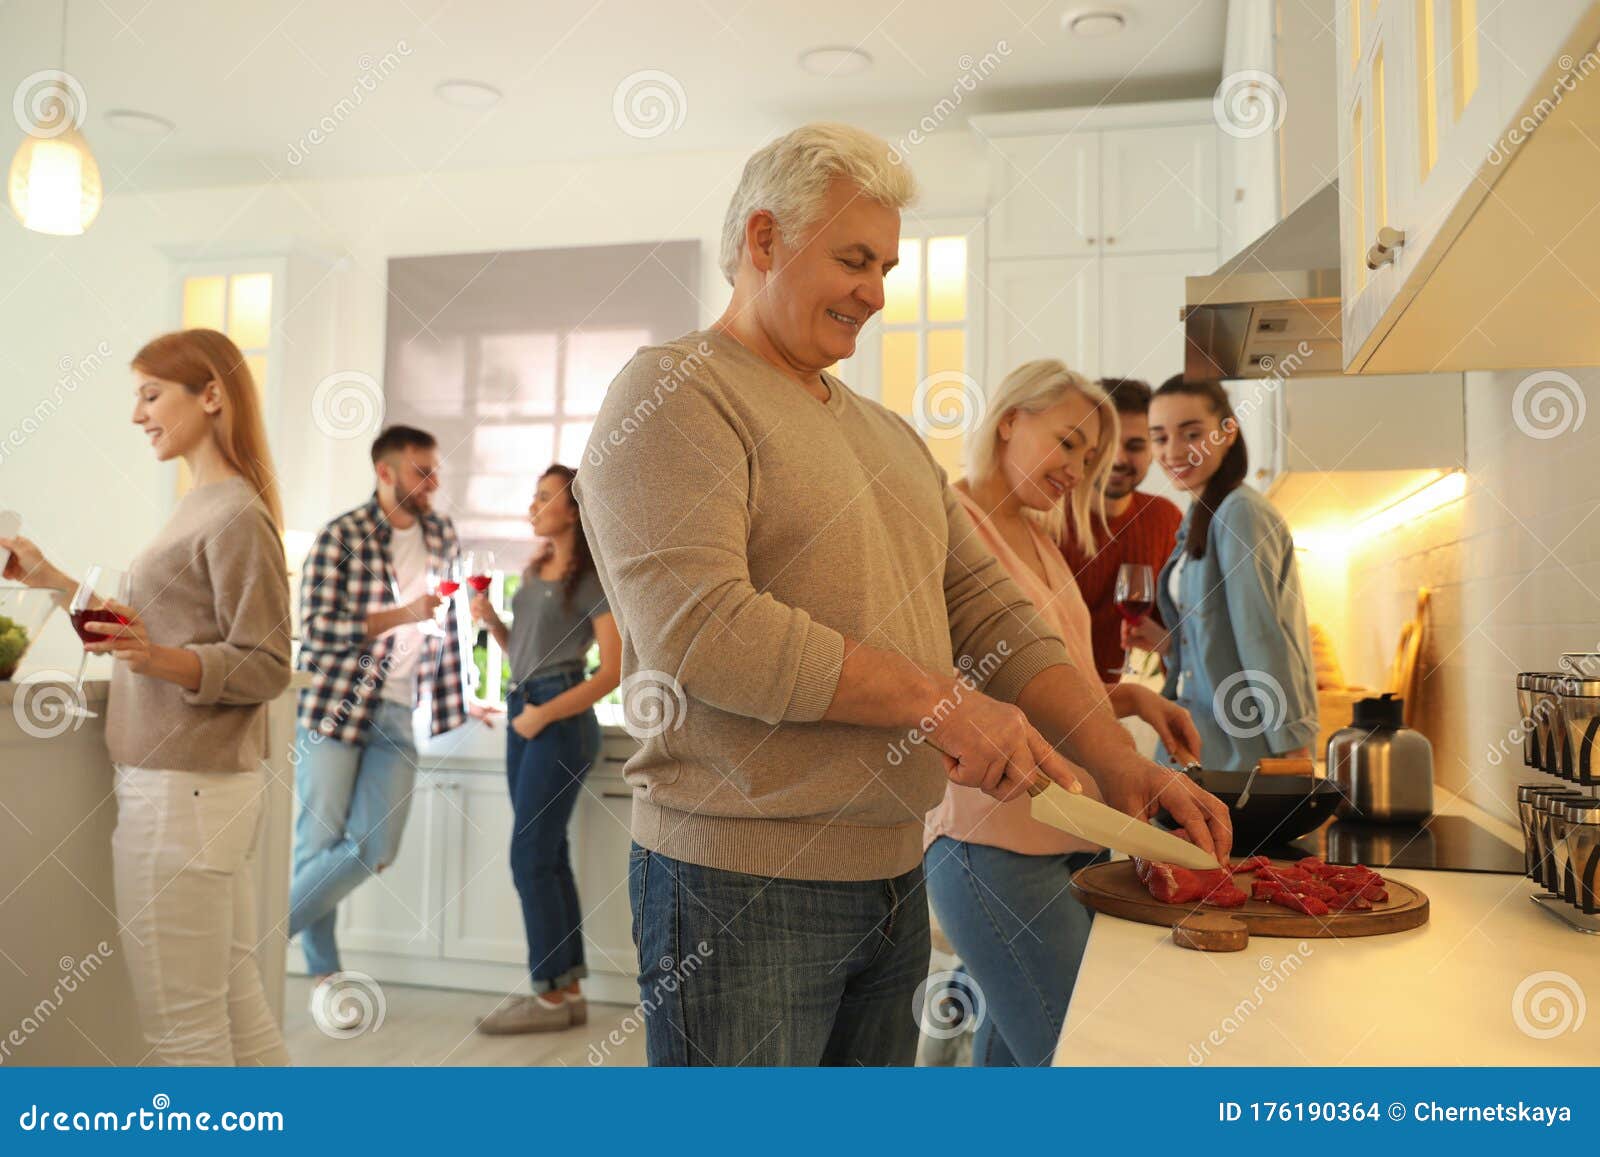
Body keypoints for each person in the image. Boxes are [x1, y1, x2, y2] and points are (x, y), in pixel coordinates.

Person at [576, 122, 1232, 1067]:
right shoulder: (676, 393)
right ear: (763, 241)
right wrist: (940, 703)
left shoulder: (888, 437)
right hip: (738, 884)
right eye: (853, 260)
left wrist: (1114, 759)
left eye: (886, 266)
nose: (877, 294)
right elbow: (705, 631)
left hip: (892, 876)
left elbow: (992, 617)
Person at [2, 329, 292, 1065]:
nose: (137, 415)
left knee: (182, 1033)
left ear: (212, 395)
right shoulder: (204, 504)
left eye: (150, 393)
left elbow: (266, 662)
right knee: (236, 1009)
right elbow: (144, 630)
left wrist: (161, 659)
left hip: (178, 797)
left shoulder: (233, 513)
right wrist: (53, 579)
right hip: (193, 796)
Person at [924, 360, 1203, 1066]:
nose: (1080, 467)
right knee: (1081, 1058)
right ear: (1011, 419)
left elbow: (1052, 689)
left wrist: (1135, 696)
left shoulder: (1040, 540)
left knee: (1015, 1065)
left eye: (1091, 454)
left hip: (1068, 835)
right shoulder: (950, 527)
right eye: (1069, 441)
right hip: (994, 840)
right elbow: (956, 695)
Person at [289, 424, 467, 1005]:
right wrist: (400, 613)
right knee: (318, 845)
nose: (433, 481)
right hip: (333, 707)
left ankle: (256, 942)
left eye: (435, 469)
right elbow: (315, 633)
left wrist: (464, 691)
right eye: (422, 470)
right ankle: (324, 973)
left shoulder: (441, 532)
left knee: (375, 848)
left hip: (396, 710)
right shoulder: (341, 535)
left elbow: (451, 620)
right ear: (386, 472)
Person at [470, 465, 621, 1035]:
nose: (532, 506)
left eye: (543, 497)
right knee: (546, 855)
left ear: (575, 509)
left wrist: (542, 715)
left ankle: (549, 998)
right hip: (524, 710)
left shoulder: (591, 580)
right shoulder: (533, 573)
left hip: (557, 721)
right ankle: (568, 991)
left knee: (529, 858)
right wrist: (493, 625)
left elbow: (613, 670)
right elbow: (525, 656)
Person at [1125, 376, 1318, 770]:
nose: (1173, 451)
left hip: (1241, 754)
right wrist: (1166, 643)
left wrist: (1292, 747)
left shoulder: (1240, 513)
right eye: (1159, 438)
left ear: (1227, 432)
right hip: (1202, 744)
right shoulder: (1203, 515)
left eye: (1191, 434)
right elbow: (1217, 642)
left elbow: (1261, 636)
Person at [1060, 376, 1183, 680]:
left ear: (1153, 449)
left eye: (1135, 445)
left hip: (1118, 699)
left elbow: (1176, 627)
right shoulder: (1046, 516)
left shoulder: (1165, 519)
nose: (1117, 459)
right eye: (1107, 445)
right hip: (1044, 704)